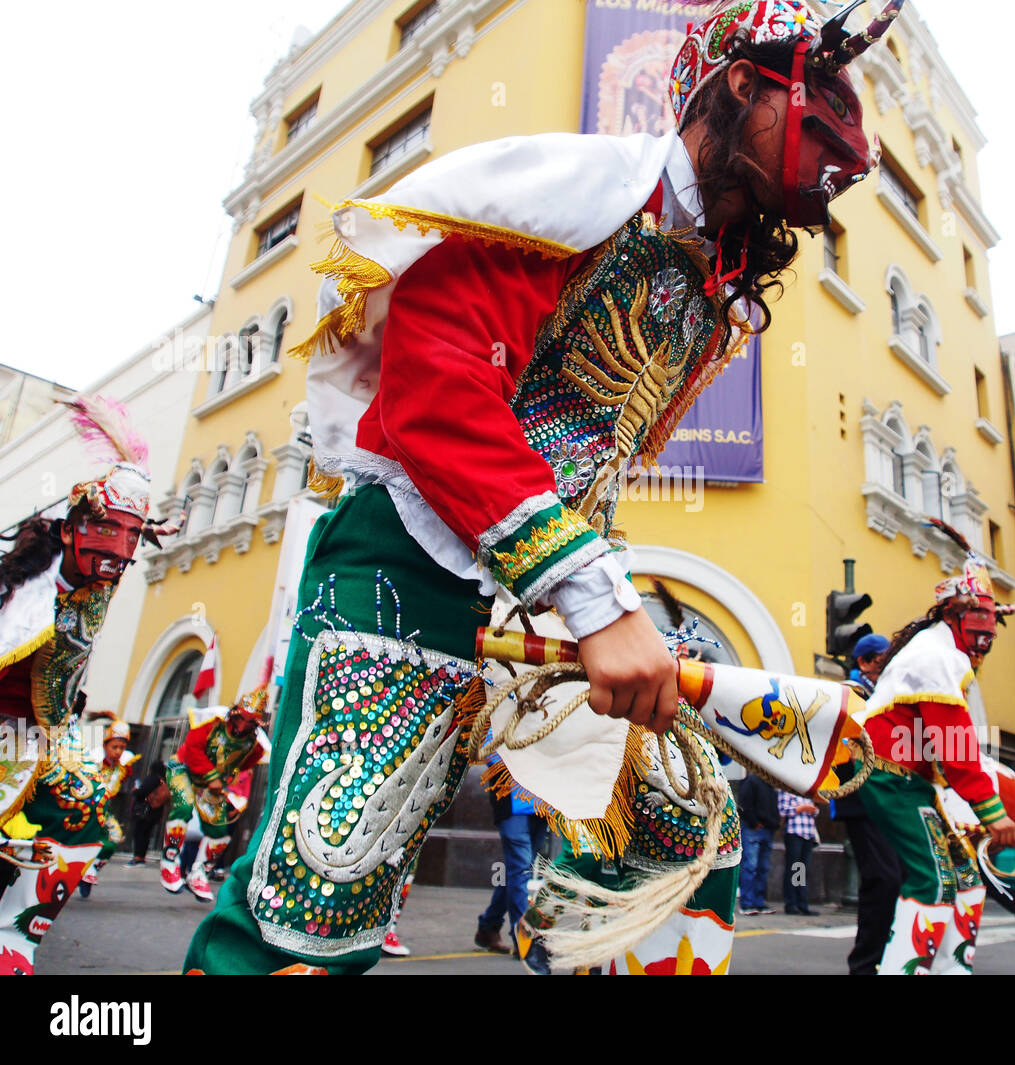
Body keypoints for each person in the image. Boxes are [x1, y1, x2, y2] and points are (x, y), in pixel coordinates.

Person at [183, 0, 905, 976]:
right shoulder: (575, 191)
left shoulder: (710, 290)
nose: (849, 150)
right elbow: (435, 387)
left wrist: (602, 602)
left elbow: (583, 457)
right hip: (409, 563)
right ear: (741, 82)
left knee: (680, 834)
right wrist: (598, 598)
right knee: (323, 889)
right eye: (821, 102)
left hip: (542, 603)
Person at [0, 396, 179, 973]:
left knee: (84, 811)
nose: (119, 549)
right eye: (107, 529)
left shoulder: (102, 581)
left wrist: (146, 528)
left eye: (132, 535)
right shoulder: (22, 590)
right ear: (72, 526)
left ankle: (15, 938)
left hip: (48, 735)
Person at [850, 521, 1015, 975]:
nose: (988, 627)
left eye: (993, 617)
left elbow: (947, 746)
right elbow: (953, 742)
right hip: (891, 777)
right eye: (979, 615)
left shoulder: (940, 651)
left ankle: (951, 970)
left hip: (910, 781)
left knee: (965, 877)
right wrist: (994, 814)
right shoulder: (935, 656)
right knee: (933, 879)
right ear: (952, 614)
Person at [161, 679, 271, 902]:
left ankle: (199, 872)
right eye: (241, 718)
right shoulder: (213, 723)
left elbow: (245, 765)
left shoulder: (256, 745)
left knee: (220, 830)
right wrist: (211, 774)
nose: (243, 726)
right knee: (183, 807)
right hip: (184, 769)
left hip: (211, 784)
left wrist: (226, 776)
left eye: (251, 722)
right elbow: (192, 747)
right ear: (235, 713)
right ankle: (170, 860)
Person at [830, 631, 900, 973]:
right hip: (861, 798)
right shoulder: (850, 692)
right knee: (882, 878)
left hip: (888, 799)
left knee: (895, 877)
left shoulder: (884, 693)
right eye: (883, 659)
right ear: (864, 662)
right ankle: (865, 965)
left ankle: (885, 956)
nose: (888, 665)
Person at [473, 777, 550, 957]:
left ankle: (488, 927)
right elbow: (488, 752)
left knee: (518, 871)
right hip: (511, 797)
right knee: (521, 868)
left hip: (541, 800)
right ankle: (524, 939)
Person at [78, 715, 139, 898]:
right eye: (114, 747)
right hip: (84, 809)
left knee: (114, 838)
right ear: (105, 745)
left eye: (122, 747)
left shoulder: (123, 766)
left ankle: (91, 869)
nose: (118, 751)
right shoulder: (91, 762)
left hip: (105, 810)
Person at [734, 772, 780, 916]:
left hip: (764, 828)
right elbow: (744, 805)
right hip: (755, 828)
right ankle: (748, 903)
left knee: (762, 867)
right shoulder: (753, 781)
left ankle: (758, 902)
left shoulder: (769, 784)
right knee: (751, 866)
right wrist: (754, 822)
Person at [777, 789, 819, 915]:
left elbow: (816, 810)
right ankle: (791, 903)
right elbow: (782, 810)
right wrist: (801, 808)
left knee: (802, 869)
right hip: (794, 832)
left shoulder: (807, 791)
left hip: (808, 833)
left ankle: (802, 902)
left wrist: (814, 810)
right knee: (794, 868)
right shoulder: (785, 790)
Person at [127, 760, 168, 866]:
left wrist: (135, 790)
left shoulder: (152, 778)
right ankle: (142, 857)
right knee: (146, 834)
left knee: (140, 833)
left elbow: (142, 792)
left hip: (146, 811)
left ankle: (138, 857)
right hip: (155, 811)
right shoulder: (163, 780)